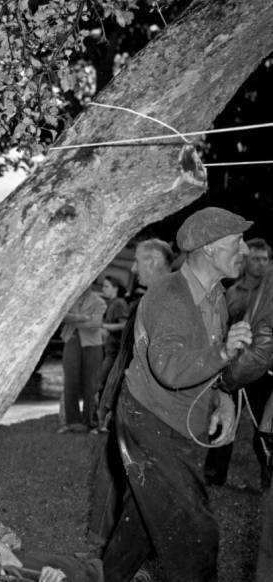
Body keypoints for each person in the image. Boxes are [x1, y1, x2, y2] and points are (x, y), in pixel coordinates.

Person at [99, 207, 251, 582]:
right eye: (237, 242)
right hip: (152, 421)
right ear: (209, 248)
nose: (245, 250)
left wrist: (222, 396)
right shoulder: (169, 295)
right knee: (193, 531)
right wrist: (223, 352)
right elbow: (169, 367)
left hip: (178, 422)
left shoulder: (215, 295)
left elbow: (206, 361)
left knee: (140, 523)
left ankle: (104, 577)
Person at [88, 239, 173, 551]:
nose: (134, 269)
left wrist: (116, 401)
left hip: (144, 405)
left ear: (153, 261)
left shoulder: (163, 302)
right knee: (118, 472)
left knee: (122, 475)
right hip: (136, 401)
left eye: (138, 262)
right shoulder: (147, 301)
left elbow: (135, 361)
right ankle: (109, 544)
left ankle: (113, 547)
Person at [207, 238, 273, 487]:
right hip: (234, 363)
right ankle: (214, 474)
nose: (261, 264)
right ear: (245, 261)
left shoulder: (268, 291)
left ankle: (267, 477)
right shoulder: (232, 292)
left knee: (264, 425)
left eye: (265, 259)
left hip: (262, 369)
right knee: (225, 414)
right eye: (255, 259)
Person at [58, 284, 106, 433]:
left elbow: (95, 324)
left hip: (92, 345)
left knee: (91, 384)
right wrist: (83, 317)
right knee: (70, 382)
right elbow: (62, 316)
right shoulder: (69, 299)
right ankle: (72, 422)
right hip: (71, 341)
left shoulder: (99, 302)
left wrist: (73, 320)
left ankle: (90, 421)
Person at [94, 276, 129, 425]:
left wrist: (103, 326)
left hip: (115, 351)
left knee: (104, 384)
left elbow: (124, 325)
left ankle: (102, 421)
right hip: (109, 350)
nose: (103, 289)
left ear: (115, 288)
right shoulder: (111, 303)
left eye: (106, 286)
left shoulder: (119, 303)